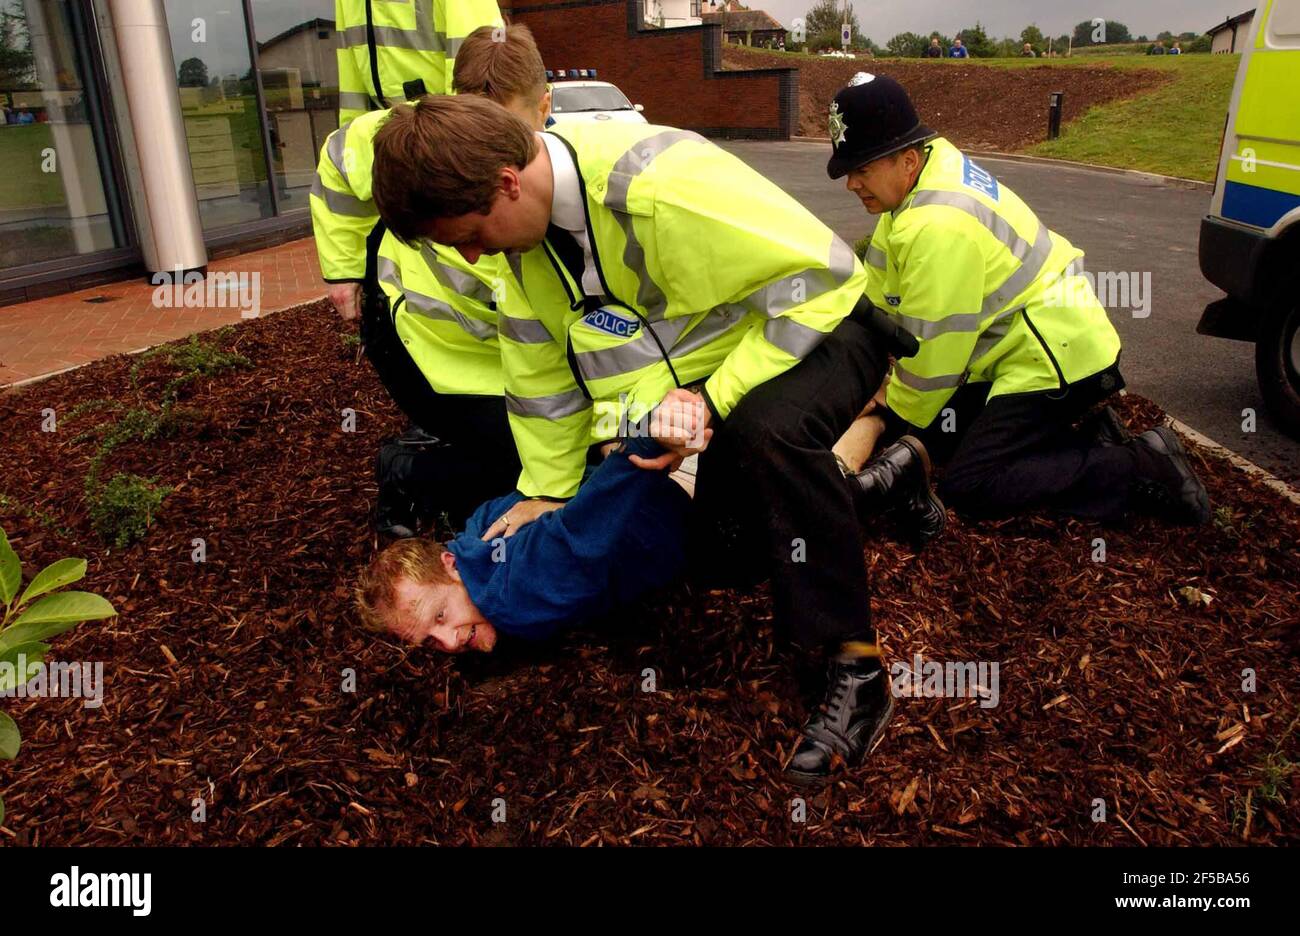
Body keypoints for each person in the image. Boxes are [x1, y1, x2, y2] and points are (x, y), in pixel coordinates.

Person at [369, 95, 948, 784]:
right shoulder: (520, 251)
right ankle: (884, 486)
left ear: (506, 182)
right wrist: (547, 493)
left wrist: (710, 402)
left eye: (468, 233)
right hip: (716, 382)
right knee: (733, 549)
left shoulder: (656, 188)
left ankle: (855, 669)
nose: (470, 253)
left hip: (823, 330)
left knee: (766, 437)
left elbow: (820, 281)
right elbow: (543, 388)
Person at [830, 74, 1211, 527]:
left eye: (862, 169)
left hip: (1059, 361)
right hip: (1036, 346)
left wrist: (884, 412)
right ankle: (1091, 439)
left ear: (908, 160)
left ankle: (1142, 466)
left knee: (970, 485)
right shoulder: (919, 183)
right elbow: (878, 294)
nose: (852, 183)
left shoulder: (937, 225)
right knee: (945, 435)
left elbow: (934, 363)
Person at [310, 24, 554, 529]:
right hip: (425, 352)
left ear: (544, 110)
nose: (485, 163)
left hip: (504, 358)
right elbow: (339, 156)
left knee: (570, 455)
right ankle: (409, 473)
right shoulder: (424, 142)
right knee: (525, 464)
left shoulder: (560, 169)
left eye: (507, 140)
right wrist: (344, 271)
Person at [334, 0, 503, 126]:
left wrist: (459, 132)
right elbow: (350, 73)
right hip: (387, 134)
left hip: (443, 128)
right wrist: (348, 139)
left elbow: (481, 61)